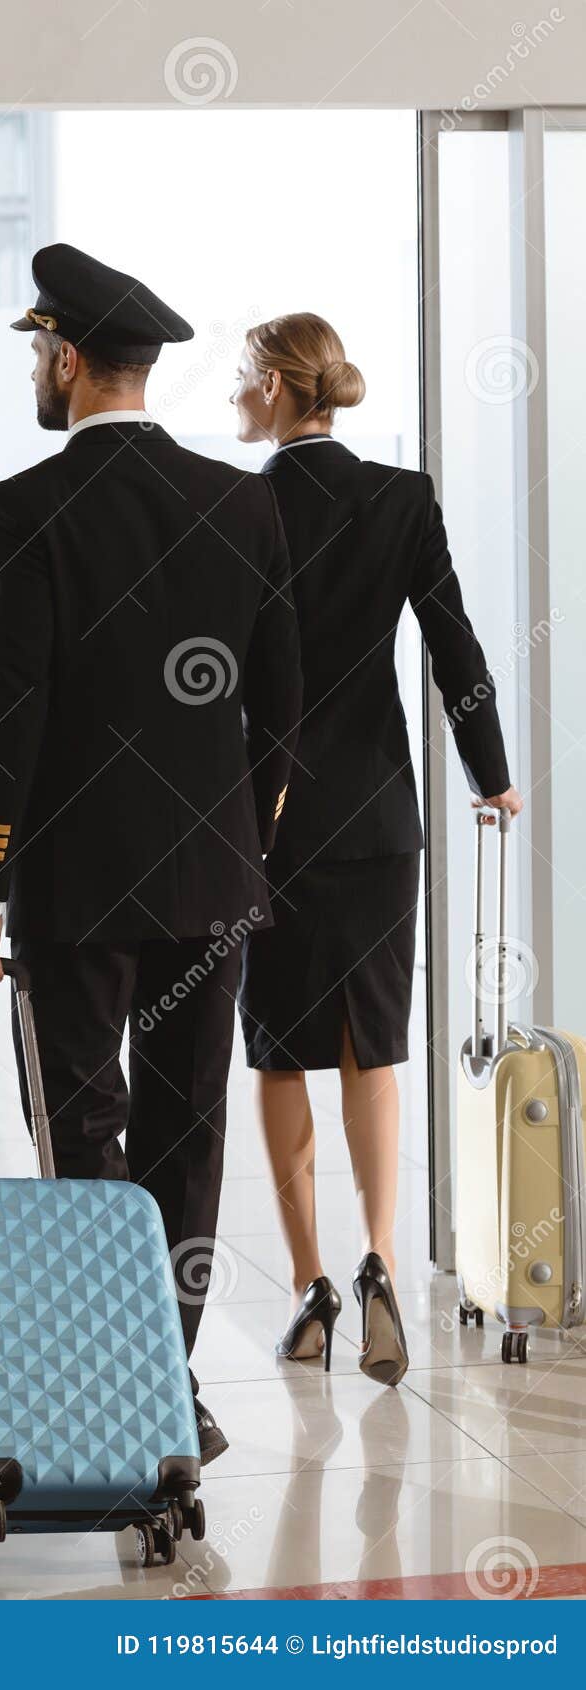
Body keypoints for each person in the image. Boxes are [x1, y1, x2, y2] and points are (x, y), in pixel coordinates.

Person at [0, 244, 303, 1462]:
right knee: (188, 1133)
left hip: (72, 889)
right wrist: (239, 847)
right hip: (213, 883)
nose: (36, 373)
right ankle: (170, 1385)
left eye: (39, 355)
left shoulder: (25, 509)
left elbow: (12, 710)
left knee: (81, 1124)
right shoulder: (243, 503)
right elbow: (282, 711)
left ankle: (120, 1378)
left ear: (67, 359)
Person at [232, 311, 523, 1387]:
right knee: (373, 1045)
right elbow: (455, 648)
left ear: (275, 386)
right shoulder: (402, 499)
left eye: (240, 377)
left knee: (277, 1052)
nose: (233, 395)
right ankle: (382, 1261)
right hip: (378, 820)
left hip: (265, 824)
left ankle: (309, 1287)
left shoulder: (238, 505)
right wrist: (490, 774)